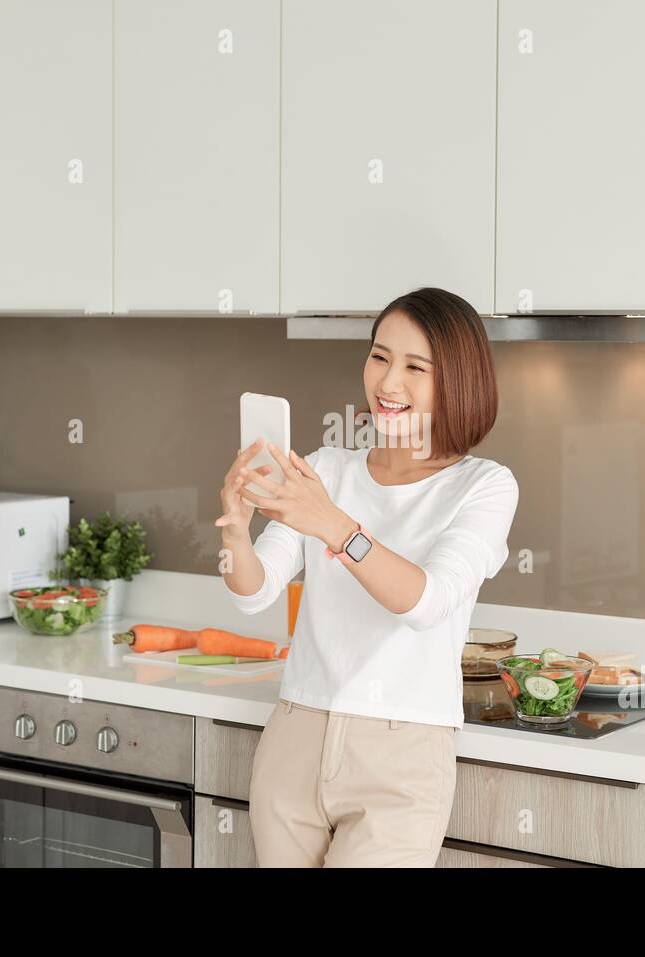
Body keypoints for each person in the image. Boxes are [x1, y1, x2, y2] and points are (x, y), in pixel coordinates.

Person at [215, 287, 519, 867]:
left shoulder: (484, 485)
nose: (388, 383)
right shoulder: (328, 467)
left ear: (457, 380)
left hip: (402, 750)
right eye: (379, 356)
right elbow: (255, 592)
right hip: (296, 735)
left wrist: (333, 525)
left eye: (414, 366)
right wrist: (235, 529)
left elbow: (428, 602)